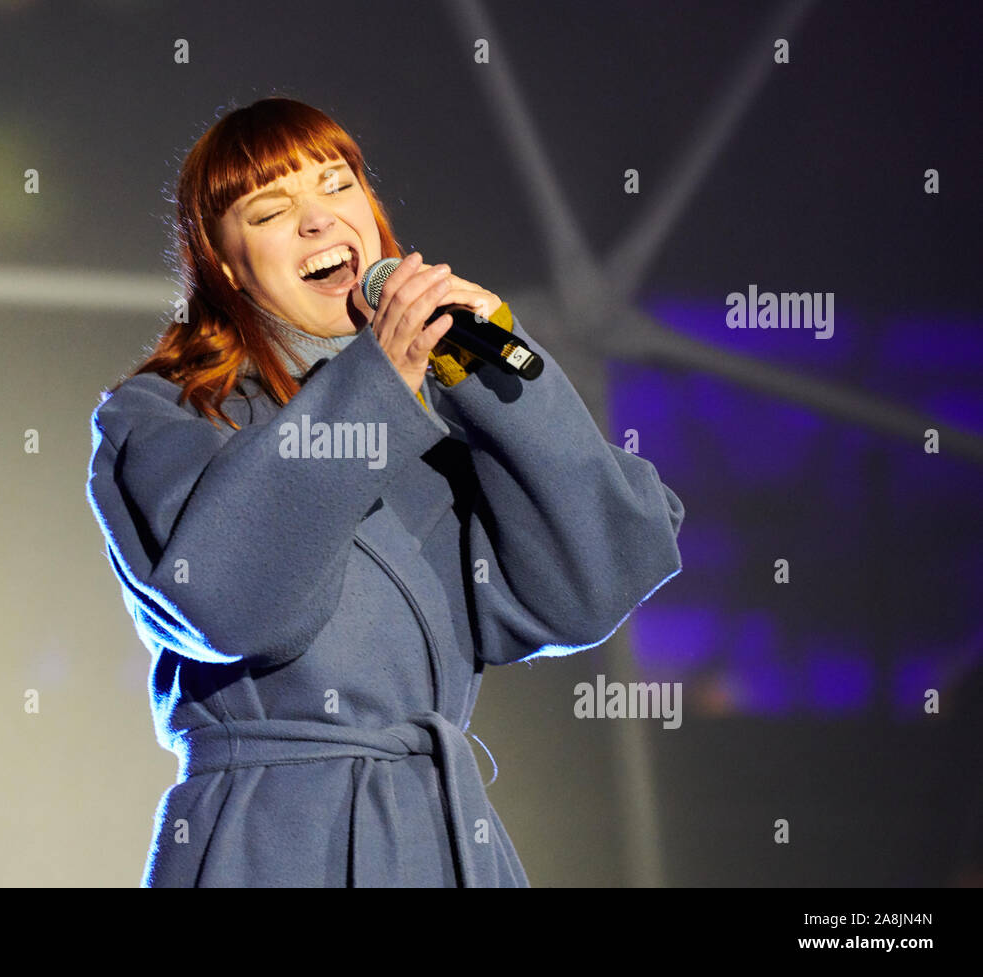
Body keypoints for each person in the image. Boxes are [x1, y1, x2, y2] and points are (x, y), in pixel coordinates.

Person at [86, 97, 685, 887]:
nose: (317, 221)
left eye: (338, 187)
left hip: (440, 842)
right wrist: (377, 385)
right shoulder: (161, 416)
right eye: (271, 209)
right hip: (270, 840)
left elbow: (593, 584)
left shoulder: (439, 422)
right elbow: (232, 604)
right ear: (225, 265)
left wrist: (491, 372)